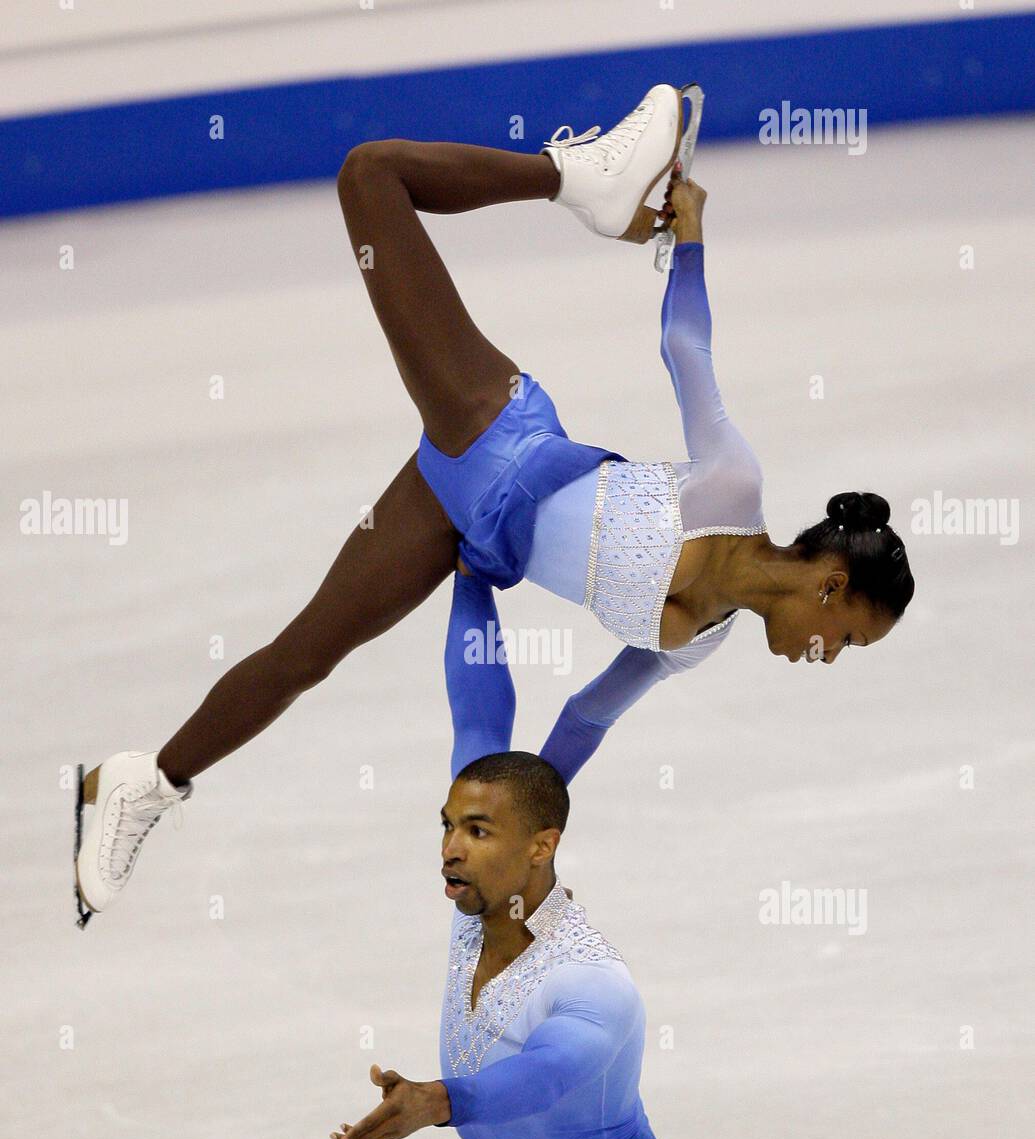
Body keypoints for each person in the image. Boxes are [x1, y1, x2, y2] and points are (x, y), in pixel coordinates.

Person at [74, 83, 914, 922]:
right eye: (844, 638)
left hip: (458, 516)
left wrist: (519, 833)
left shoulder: (701, 642)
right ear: (830, 583)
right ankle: (575, 175)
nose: (827, 656)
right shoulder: (730, 489)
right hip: (491, 426)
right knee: (372, 178)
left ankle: (144, 781)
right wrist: (688, 237)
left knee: (306, 655)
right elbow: (683, 346)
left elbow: (585, 718)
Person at [323, 573, 715, 1139]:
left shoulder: (590, 980)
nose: (449, 847)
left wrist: (437, 1101)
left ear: (540, 847)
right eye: (446, 825)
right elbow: (477, 717)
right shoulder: (477, 905)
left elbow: (547, 1074)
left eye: (475, 831)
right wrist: (469, 572)